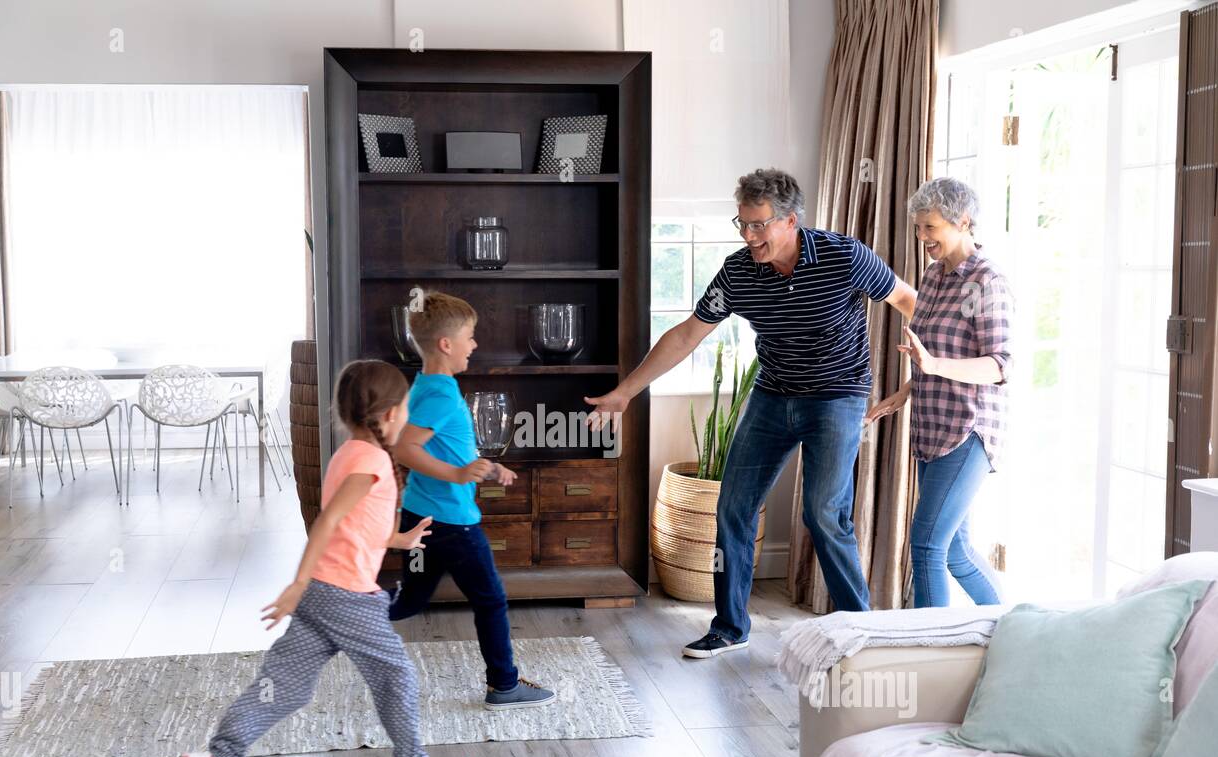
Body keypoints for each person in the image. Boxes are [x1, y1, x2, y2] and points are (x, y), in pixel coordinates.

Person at [587, 168, 917, 657]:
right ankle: (730, 626)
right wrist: (626, 392)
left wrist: (926, 372)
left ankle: (860, 633)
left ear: (790, 221)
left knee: (824, 512)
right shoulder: (739, 271)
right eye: (742, 223)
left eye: (759, 225)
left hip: (837, 396)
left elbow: (909, 301)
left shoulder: (843, 256)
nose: (748, 235)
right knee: (733, 509)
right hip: (772, 396)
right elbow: (685, 336)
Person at [179, 360, 473, 757]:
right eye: (405, 407)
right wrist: (296, 583)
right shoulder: (373, 461)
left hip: (324, 593)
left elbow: (358, 526)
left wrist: (399, 541)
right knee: (396, 676)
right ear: (391, 413)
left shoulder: (348, 453)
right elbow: (329, 521)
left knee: (286, 686)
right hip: (344, 597)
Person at [388, 291, 556, 708]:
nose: (474, 345)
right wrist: (460, 474)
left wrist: (483, 465)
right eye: (470, 336)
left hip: (419, 517)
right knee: (491, 600)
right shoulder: (442, 394)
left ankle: (339, 617)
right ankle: (504, 685)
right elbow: (405, 449)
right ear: (446, 344)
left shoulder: (426, 386)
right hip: (453, 524)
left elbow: (439, 446)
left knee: (409, 600)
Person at [865, 176, 1010, 608]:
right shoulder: (932, 277)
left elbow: (999, 365)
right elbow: (938, 350)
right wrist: (907, 389)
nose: (921, 237)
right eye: (918, 227)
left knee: (927, 544)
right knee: (955, 551)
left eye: (930, 227)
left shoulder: (987, 282)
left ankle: (932, 651)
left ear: (963, 222)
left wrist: (933, 367)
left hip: (969, 430)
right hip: (931, 428)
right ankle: (1010, 629)